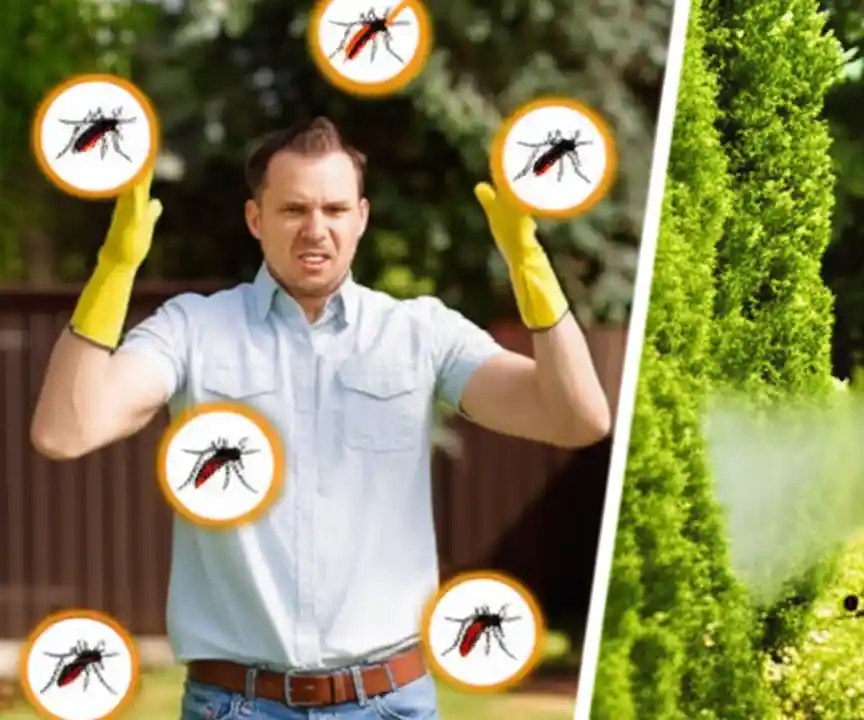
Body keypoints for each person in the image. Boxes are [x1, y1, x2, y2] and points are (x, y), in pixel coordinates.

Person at [28, 116, 613, 719]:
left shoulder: (420, 332)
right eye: (293, 210)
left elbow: (576, 420)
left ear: (361, 217)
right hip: (237, 707)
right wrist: (114, 270)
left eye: (335, 209)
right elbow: (64, 430)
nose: (316, 230)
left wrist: (530, 268)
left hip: (391, 704)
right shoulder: (192, 330)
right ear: (256, 219)